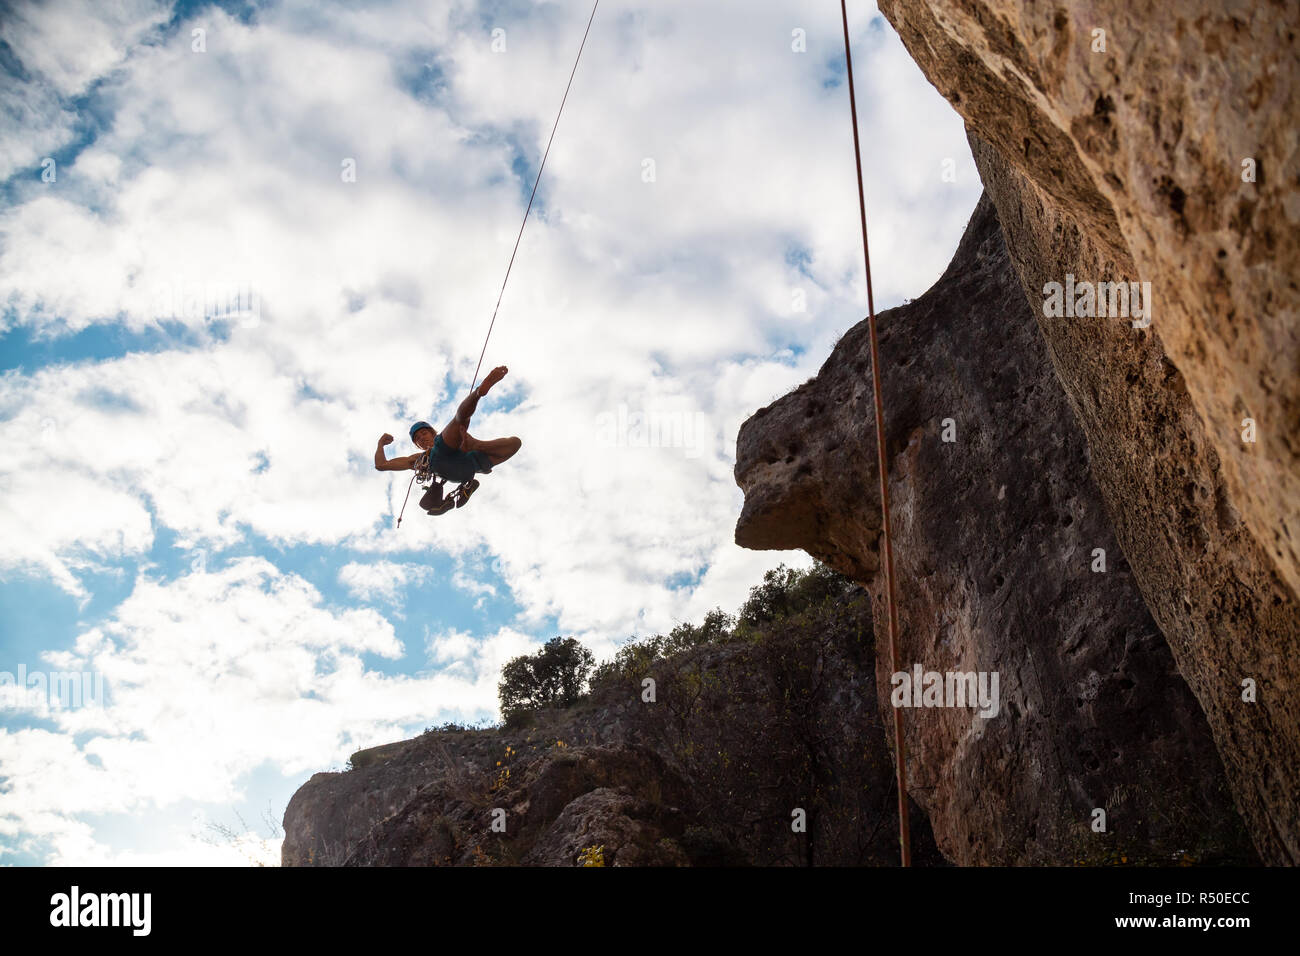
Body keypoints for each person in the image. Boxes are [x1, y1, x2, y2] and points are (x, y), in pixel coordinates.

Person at [374, 365, 522, 516]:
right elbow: (381, 465)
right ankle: (478, 399)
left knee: (514, 443)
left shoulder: (442, 439)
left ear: (432, 433)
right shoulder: (418, 459)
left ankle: (479, 396)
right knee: (459, 423)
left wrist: (476, 446)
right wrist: (380, 444)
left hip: (467, 465)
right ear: (417, 446)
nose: (421, 438)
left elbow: (512, 445)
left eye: (424, 433)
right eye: (417, 439)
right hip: (445, 462)